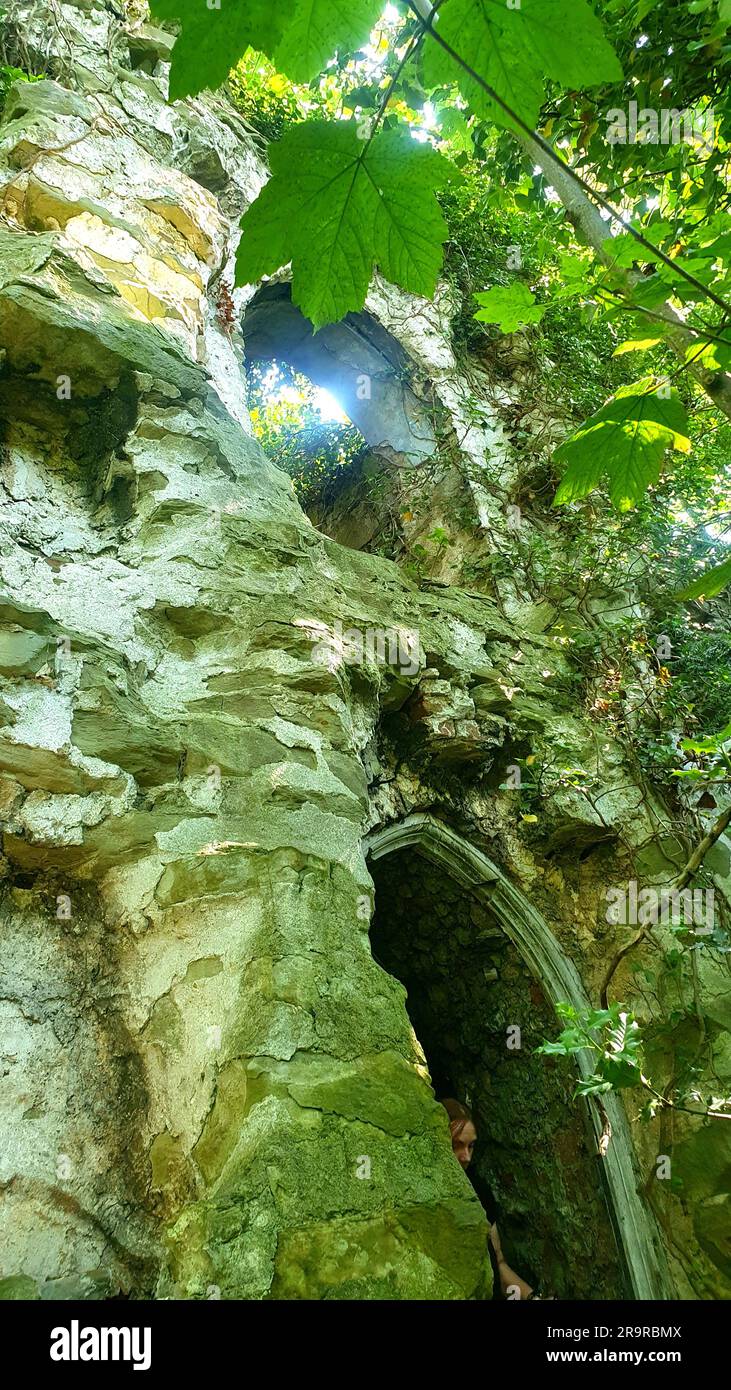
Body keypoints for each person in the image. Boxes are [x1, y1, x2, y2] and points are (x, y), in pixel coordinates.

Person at [439, 1097, 545, 1300]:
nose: (466, 1156)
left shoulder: (478, 1191)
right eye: (457, 1145)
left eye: (471, 1146)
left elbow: (499, 1266)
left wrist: (532, 1299)